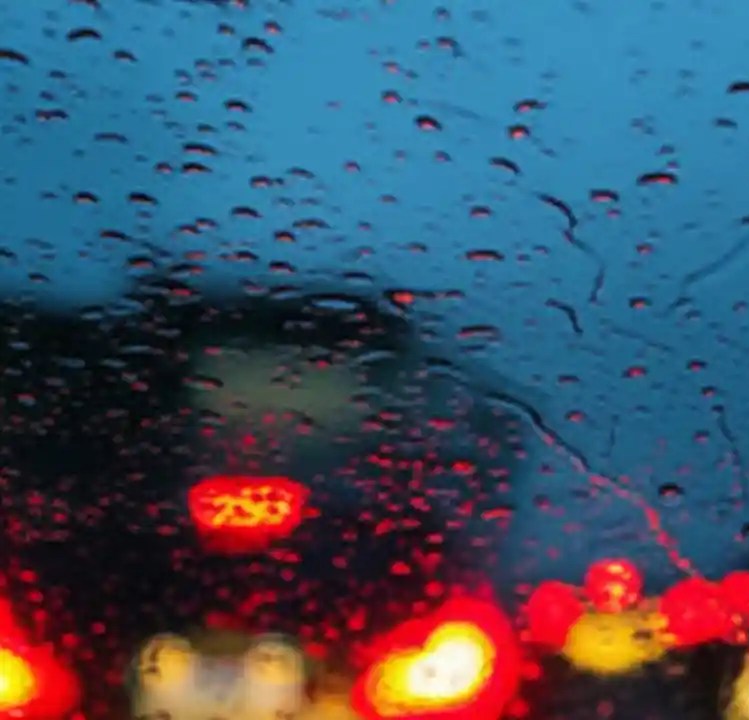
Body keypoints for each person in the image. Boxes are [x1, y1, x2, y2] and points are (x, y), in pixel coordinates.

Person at [0, 272, 533, 717]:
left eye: (303, 410)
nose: (264, 432)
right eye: (235, 402)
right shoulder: (87, 534)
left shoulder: (402, 549)